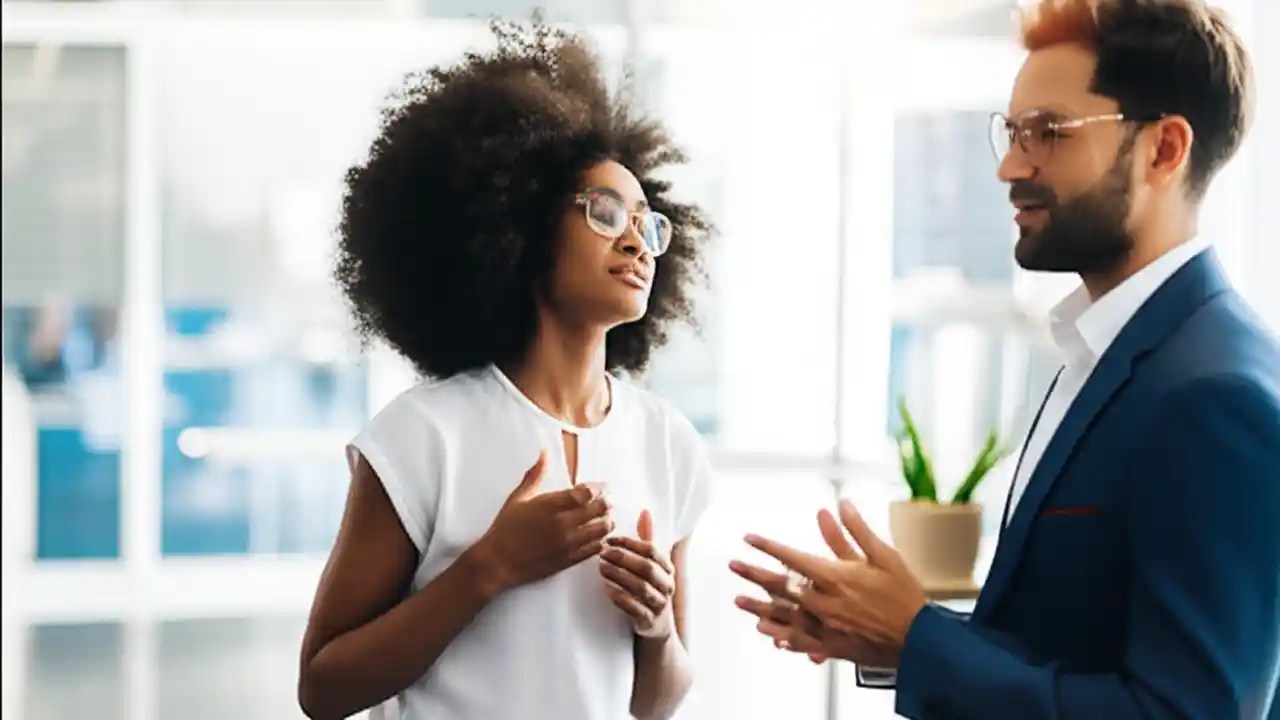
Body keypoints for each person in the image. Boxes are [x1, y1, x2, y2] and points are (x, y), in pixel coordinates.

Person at [731, 0, 1280, 717]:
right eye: (1012, 131)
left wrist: (919, 640)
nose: (1010, 166)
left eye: (1048, 132)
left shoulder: (1214, 394)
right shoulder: (1108, 350)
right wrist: (892, 636)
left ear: (1164, 150)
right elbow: (1064, 641)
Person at [297, 18, 713, 720]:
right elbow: (324, 688)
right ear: (522, 225)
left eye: (648, 223)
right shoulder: (424, 436)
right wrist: (488, 568)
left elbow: (655, 704)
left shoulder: (669, 445)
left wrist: (657, 628)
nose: (638, 242)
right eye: (606, 213)